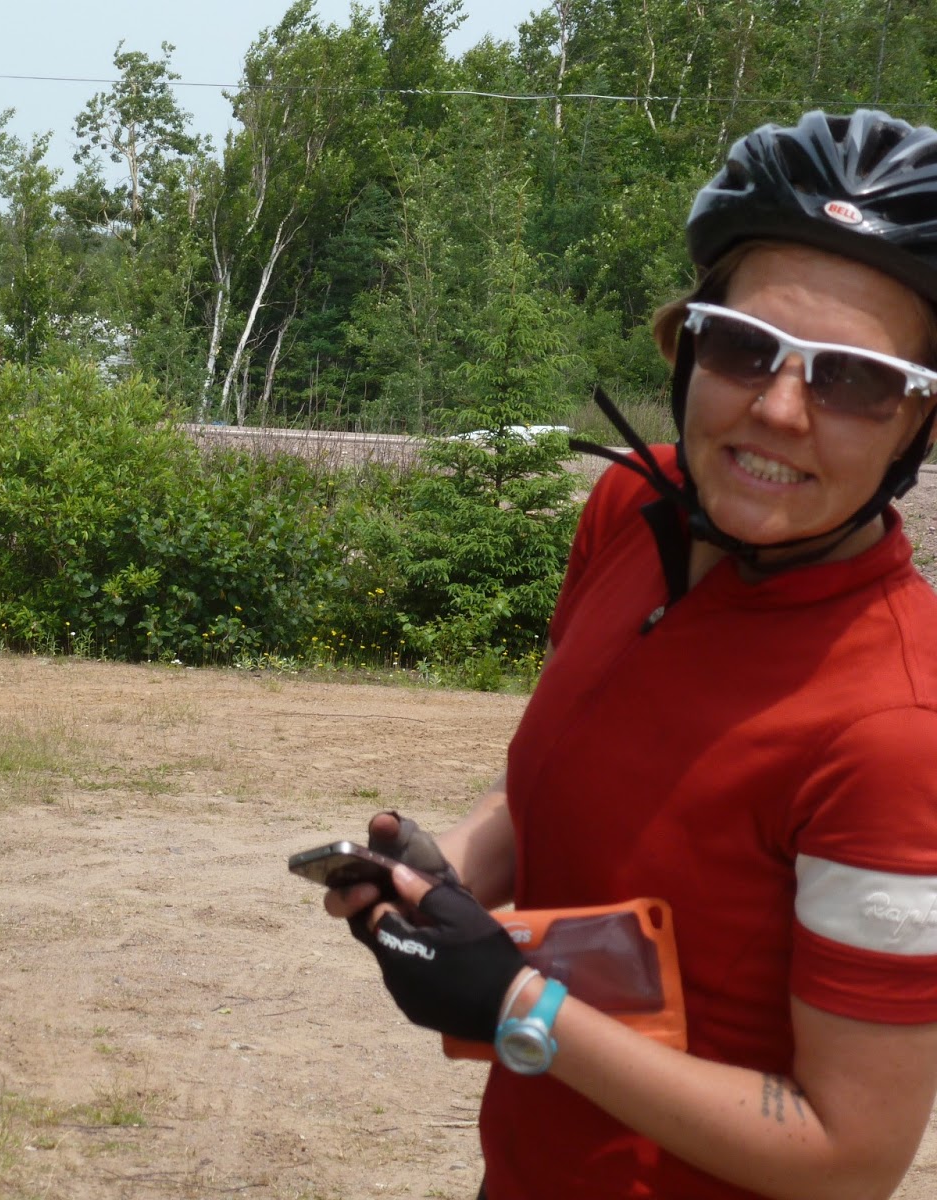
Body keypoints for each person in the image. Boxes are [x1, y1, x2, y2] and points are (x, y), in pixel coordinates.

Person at [325, 108, 937, 1200]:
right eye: (748, 348)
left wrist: (516, 1008)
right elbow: (573, 791)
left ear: (916, 427)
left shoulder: (896, 731)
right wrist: (443, 881)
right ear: (689, 344)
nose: (780, 409)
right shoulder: (628, 513)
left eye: (852, 378)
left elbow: (848, 1158)